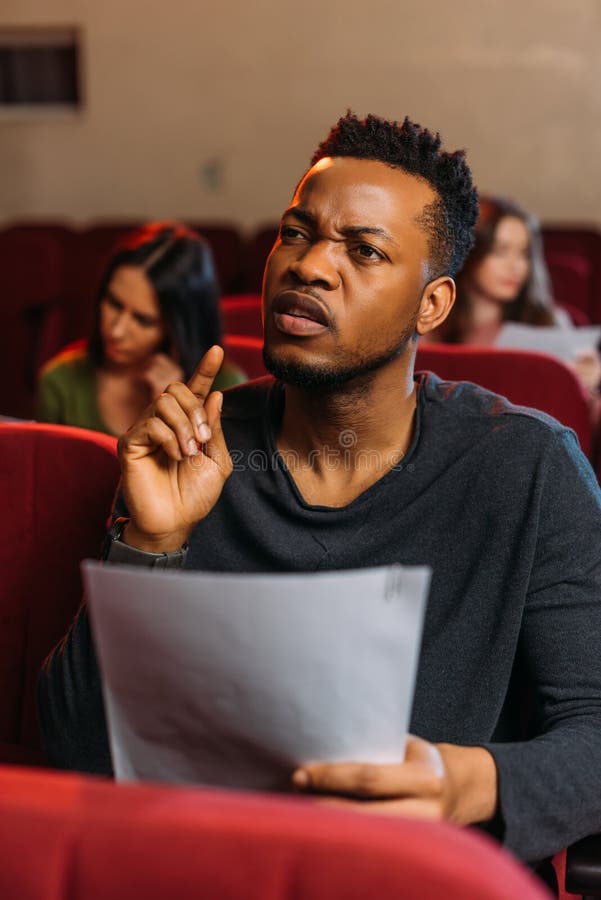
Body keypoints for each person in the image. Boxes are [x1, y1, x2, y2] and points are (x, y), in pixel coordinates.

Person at [37, 113, 601, 873]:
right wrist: (148, 543)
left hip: (418, 874)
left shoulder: (525, 465)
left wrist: (464, 784)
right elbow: (72, 749)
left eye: (362, 251)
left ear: (430, 306)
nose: (309, 266)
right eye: (296, 233)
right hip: (208, 869)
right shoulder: (194, 444)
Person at [35, 222, 247, 436]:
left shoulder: (226, 389)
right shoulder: (61, 381)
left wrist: (179, 420)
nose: (116, 330)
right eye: (114, 303)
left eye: (143, 320)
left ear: (178, 328)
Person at [426, 195, 601, 395]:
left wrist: (591, 384)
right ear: (470, 252)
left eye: (524, 254)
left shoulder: (550, 322)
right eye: (501, 251)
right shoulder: (431, 322)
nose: (515, 266)